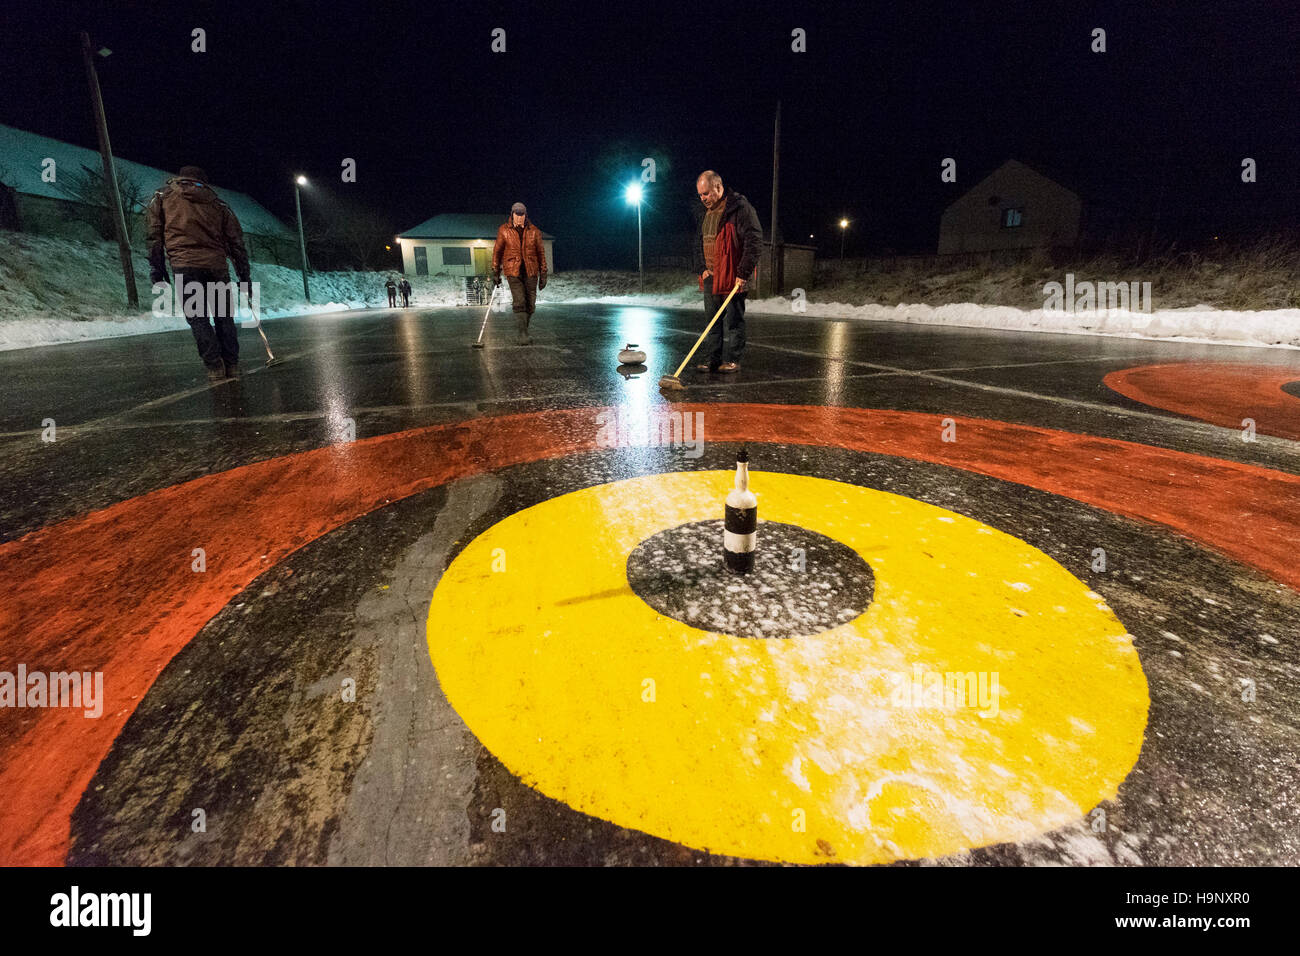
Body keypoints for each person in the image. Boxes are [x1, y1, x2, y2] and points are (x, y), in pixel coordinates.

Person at [146, 165, 251, 383]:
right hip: (216, 267)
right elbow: (236, 242)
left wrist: (157, 269)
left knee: (198, 318)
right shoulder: (218, 204)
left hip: (184, 266)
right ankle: (231, 364)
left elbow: (154, 237)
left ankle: (214, 366)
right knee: (224, 316)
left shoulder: (163, 198)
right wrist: (244, 276)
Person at [691, 170, 763, 373]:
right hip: (710, 276)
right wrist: (702, 268)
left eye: (706, 193)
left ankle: (732, 360)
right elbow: (698, 242)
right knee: (711, 322)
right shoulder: (704, 213)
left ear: (718, 187)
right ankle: (712, 359)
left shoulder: (740, 208)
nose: (703, 198)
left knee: (733, 321)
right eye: (700, 195)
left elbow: (754, 240)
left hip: (733, 275)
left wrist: (743, 272)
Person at [492, 202, 548, 345]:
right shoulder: (504, 230)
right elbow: (497, 252)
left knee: (531, 304)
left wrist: (544, 274)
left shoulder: (534, 231)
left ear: (525, 214)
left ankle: (524, 330)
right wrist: (495, 271)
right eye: (517, 213)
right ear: (512, 214)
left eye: (522, 214)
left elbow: (541, 253)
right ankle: (522, 334)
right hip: (513, 270)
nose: (519, 216)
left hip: (531, 271)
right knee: (520, 301)